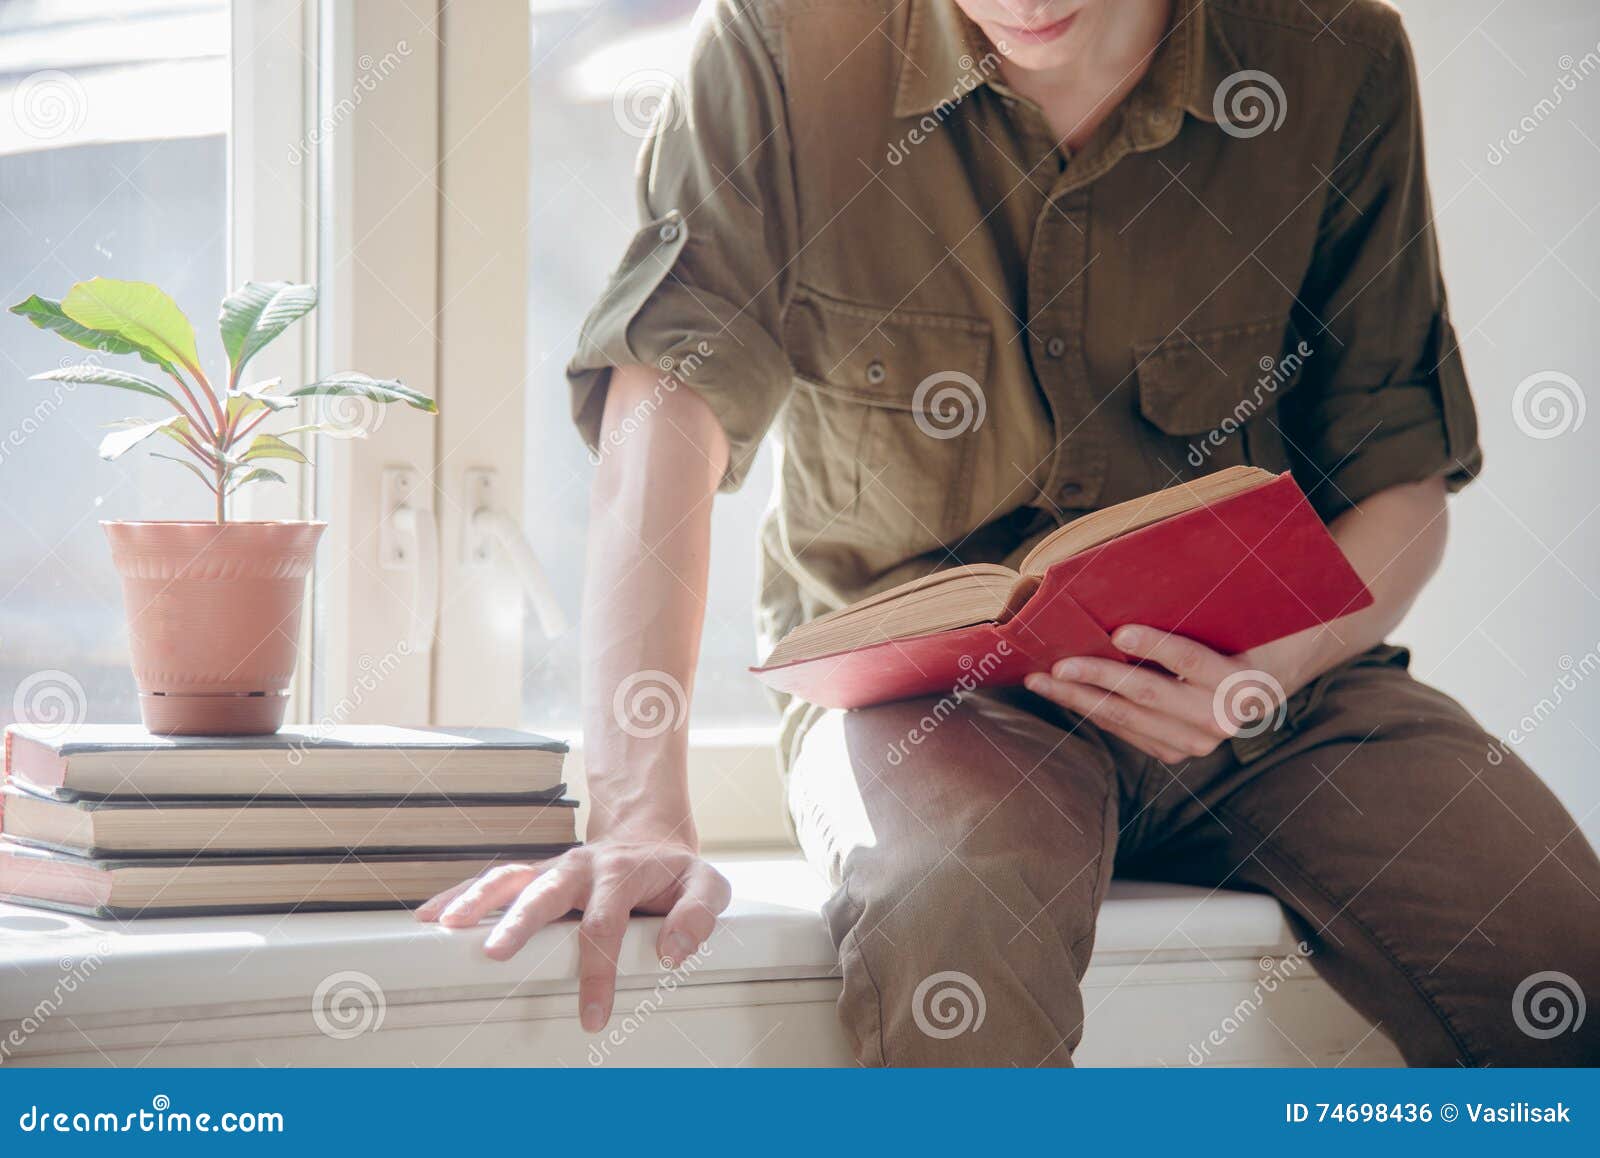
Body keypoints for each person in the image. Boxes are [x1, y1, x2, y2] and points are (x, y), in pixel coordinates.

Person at [418, 0, 1600, 1065]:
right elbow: (666, 406)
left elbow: (1400, 483)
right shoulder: (777, 45)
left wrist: (1267, 673)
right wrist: (639, 810)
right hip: (928, 705)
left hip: (1273, 692)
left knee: (1560, 948)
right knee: (957, 924)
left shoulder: (1336, 57)